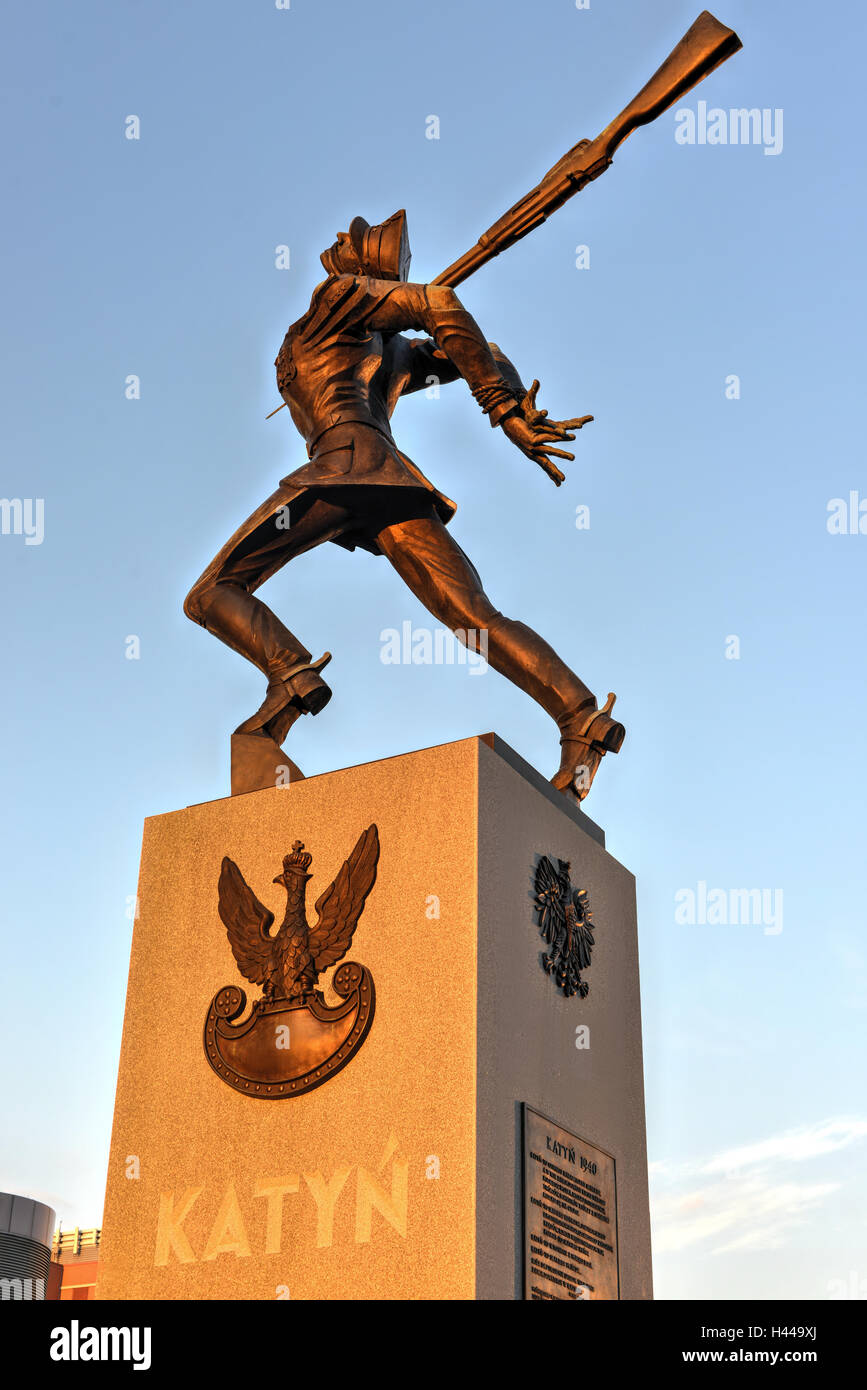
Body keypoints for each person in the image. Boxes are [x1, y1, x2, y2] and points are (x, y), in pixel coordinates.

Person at [184, 210, 624, 800]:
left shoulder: (338, 300)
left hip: (342, 469)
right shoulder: (389, 346)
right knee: (476, 619)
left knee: (212, 592)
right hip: (387, 481)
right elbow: (481, 347)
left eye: (352, 240)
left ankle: (290, 673)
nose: (337, 241)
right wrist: (509, 404)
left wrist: (502, 405)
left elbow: (441, 304)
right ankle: (578, 714)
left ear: (366, 264)